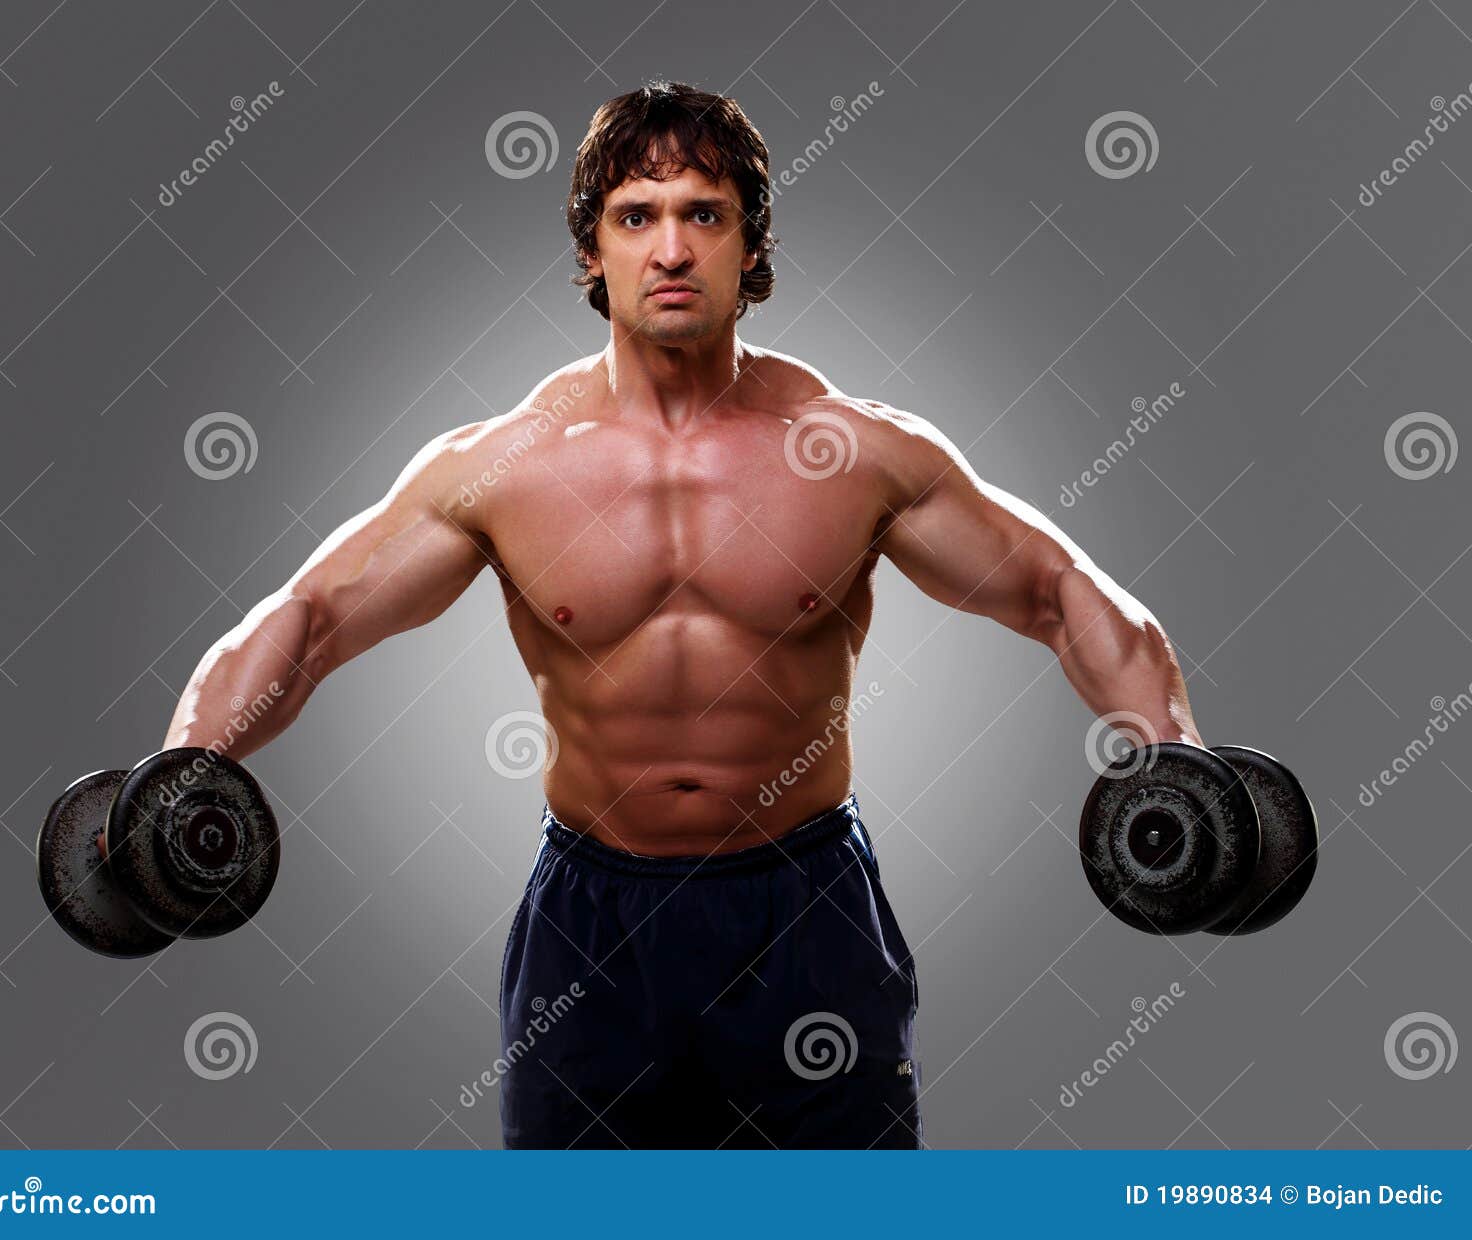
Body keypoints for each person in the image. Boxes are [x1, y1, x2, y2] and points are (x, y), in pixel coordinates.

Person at [156, 81, 1203, 1148]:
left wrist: (1178, 759)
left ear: (750, 247)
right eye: (635, 216)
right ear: (592, 249)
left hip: (805, 909)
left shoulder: (851, 452)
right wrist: (183, 769)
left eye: (704, 213)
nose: (670, 249)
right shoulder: (504, 467)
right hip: (592, 924)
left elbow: (1057, 591)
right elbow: (312, 617)